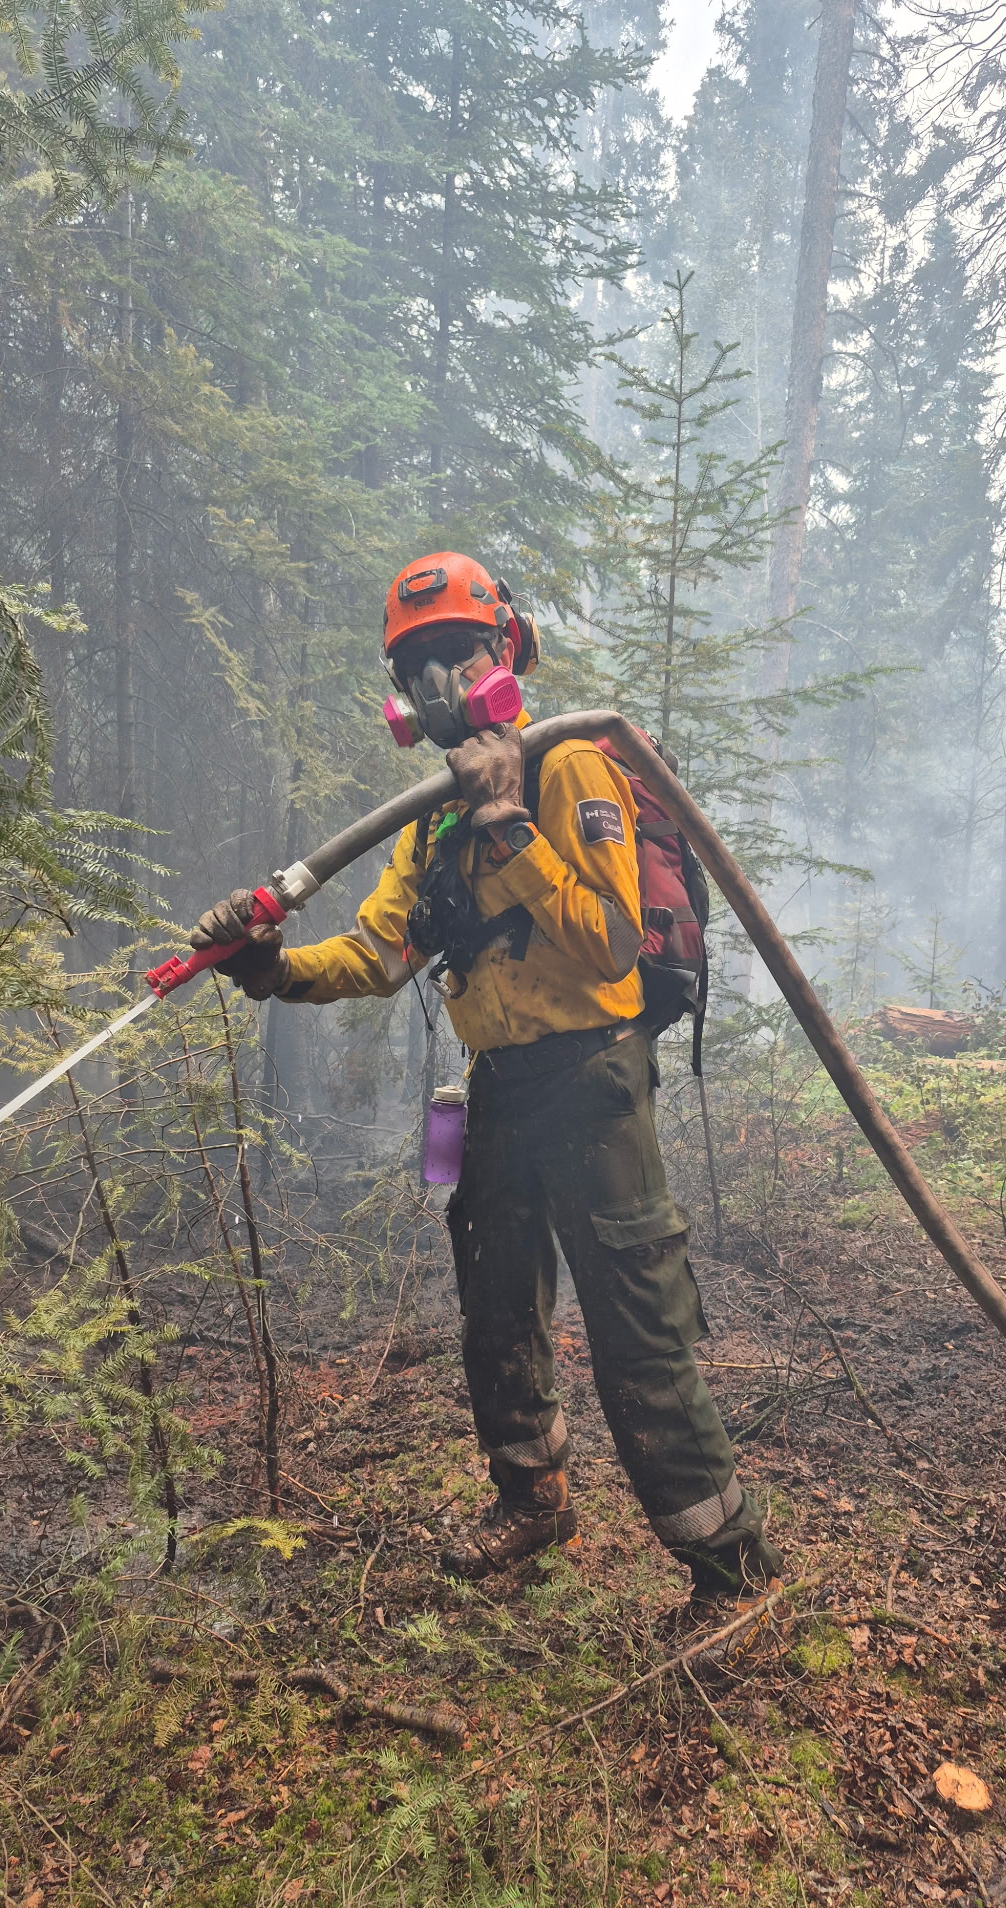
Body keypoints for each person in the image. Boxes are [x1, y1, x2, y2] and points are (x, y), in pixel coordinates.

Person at [189, 551, 780, 1612]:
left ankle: (730, 1570)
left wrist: (510, 823)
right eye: (416, 668)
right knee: (496, 1308)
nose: (439, 686)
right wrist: (267, 967)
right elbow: (377, 954)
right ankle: (534, 1494)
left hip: (594, 1079)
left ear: (504, 653)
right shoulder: (428, 817)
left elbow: (607, 945)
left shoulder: (569, 767)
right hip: (500, 1085)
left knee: (636, 1327)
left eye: (456, 656)